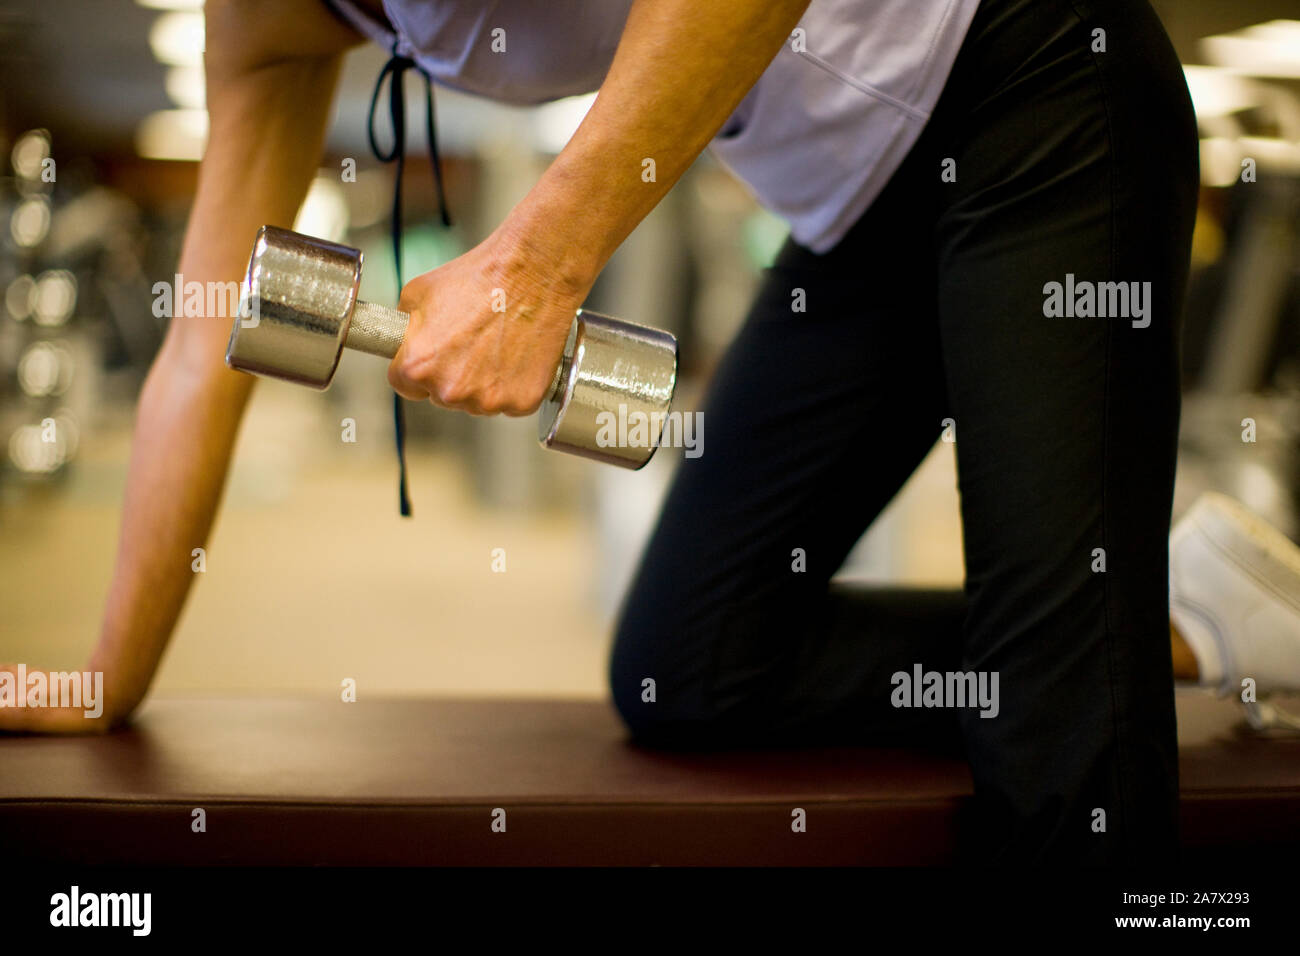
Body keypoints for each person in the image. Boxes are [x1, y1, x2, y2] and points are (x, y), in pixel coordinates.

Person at [3, 0, 1298, 864]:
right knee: (693, 669)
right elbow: (201, 342)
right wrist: (106, 674)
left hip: (1031, 89)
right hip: (858, 212)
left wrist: (539, 262)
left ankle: (1085, 650)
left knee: (1056, 756)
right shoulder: (267, 20)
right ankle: (1171, 621)